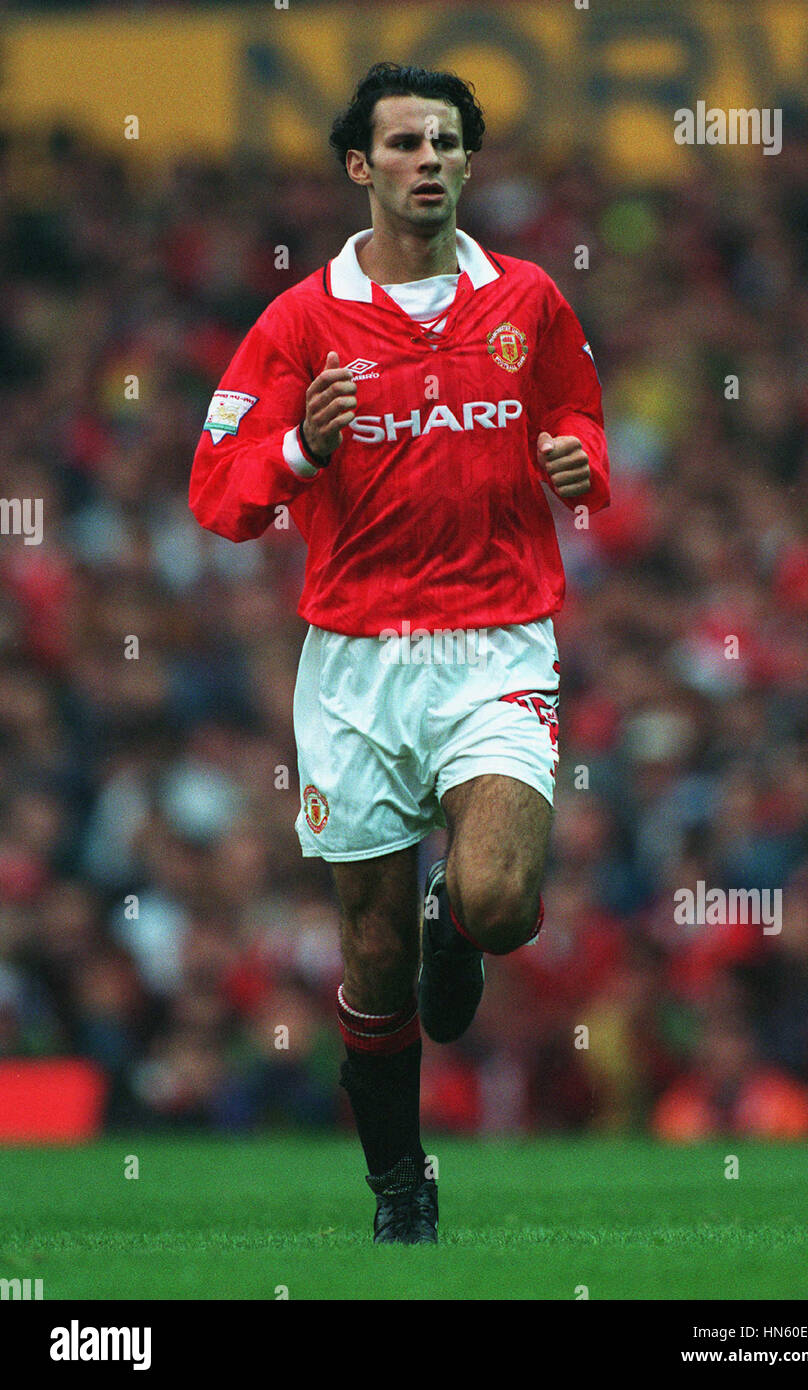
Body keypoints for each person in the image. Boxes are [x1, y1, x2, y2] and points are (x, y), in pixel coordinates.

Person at [189, 61, 611, 1244]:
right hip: (356, 659)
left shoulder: (526, 299)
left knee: (502, 899)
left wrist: (583, 462)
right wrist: (299, 455)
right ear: (360, 166)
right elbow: (216, 492)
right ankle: (398, 1188)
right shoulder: (299, 323)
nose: (429, 158)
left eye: (447, 142)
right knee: (370, 960)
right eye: (405, 143)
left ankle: (458, 926)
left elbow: (575, 413)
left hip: (495, 643)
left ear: (468, 163)